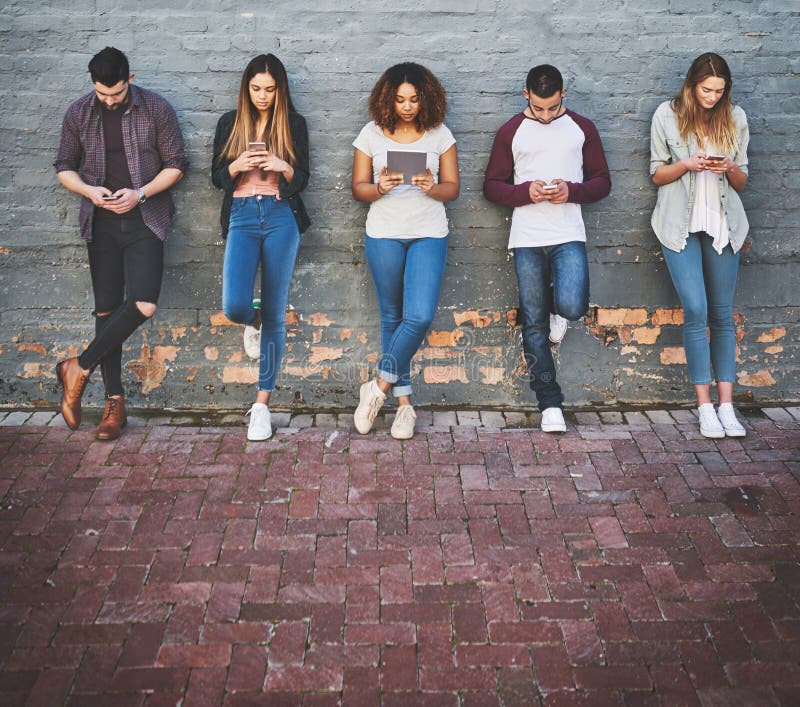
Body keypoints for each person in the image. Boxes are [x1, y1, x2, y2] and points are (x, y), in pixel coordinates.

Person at [54, 47, 187, 440]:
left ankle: (77, 366)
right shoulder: (79, 112)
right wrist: (89, 191)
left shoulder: (156, 109)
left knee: (143, 303)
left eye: (115, 93)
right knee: (106, 311)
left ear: (130, 79)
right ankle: (115, 403)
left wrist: (141, 193)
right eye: (101, 94)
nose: (108, 101)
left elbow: (177, 163)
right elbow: (64, 166)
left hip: (146, 219)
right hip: (101, 222)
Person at [483, 64, 610, 432]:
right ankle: (549, 403)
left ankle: (560, 313)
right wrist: (526, 192)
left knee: (572, 305)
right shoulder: (512, 131)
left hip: (568, 232)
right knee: (533, 322)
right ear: (526, 95)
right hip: (527, 238)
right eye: (539, 108)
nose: (546, 115)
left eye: (552, 107)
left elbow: (603, 182)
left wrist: (573, 190)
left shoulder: (581, 128)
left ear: (562, 96)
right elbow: (491, 186)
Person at [351, 62, 459, 440]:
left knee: (418, 317)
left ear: (425, 98)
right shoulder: (371, 135)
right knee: (392, 318)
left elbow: (453, 188)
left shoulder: (439, 134)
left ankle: (377, 387)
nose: (407, 106)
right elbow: (358, 189)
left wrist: (433, 186)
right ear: (388, 99)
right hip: (384, 233)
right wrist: (379, 186)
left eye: (414, 99)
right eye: (400, 99)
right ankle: (404, 407)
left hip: (428, 232)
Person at [650, 53, 750, 438]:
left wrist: (729, 168)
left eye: (719, 91)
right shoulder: (667, 115)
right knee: (696, 309)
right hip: (679, 224)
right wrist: (688, 164)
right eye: (706, 89)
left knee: (722, 315)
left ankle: (728, 407)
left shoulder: (735, 118)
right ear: (692, 85)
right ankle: (704, 407)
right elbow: (657, 173)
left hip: (722, 223)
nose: (712, 97)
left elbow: (742, 183)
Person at [212, 54, 310, 441]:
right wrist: (237, 165)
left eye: (270, 89)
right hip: (241, 214)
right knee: (234, 304)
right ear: (246, 87)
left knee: (275, 309)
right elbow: (216, 177)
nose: (263, 96)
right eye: (256, 89)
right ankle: (253, 322)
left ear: (280, 89)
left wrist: (280, 165)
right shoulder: (230, 123)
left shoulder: (294, 124)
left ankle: (262, 405)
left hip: (281, 215)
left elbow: (303, 178)